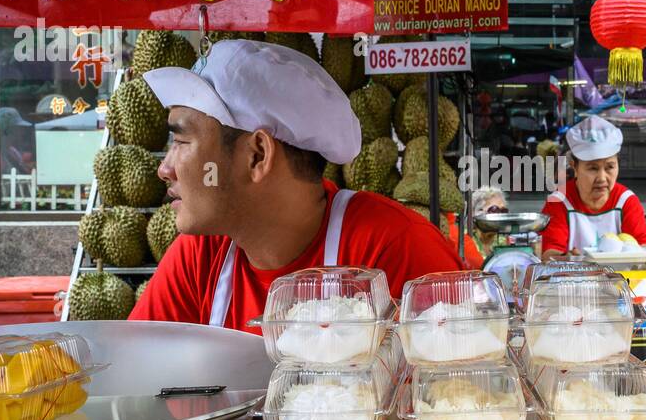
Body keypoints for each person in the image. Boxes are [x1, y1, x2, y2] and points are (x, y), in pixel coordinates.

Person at [129, 40, 463, 331]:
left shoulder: (398, 250)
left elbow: (466, 392)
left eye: (182, 142)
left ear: (257, 155)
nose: (165, 169)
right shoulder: (202, 255)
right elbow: (138, 371)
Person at [539, 115, 646, 259]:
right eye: (593, 168)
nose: (602, 178)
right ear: (574, 167)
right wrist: (569, 259)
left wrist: (640, 253)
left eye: (610, 167)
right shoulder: (558, 201)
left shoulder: (626, 200)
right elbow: (549, 254)